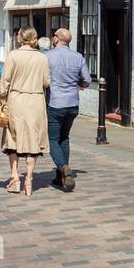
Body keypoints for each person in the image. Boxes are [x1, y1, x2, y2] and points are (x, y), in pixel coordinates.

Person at [0, 28, 50, 196]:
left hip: (17, 99)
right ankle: (29, 180)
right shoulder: (42, 58)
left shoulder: (13, 56)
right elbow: (46, 82)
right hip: (35, 101)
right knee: (32, 140)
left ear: (20, 38)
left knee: (13, 138)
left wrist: (1, 98)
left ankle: (15, 178)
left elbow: (5, 81)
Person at [45, 28, 90, 192]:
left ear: (57, 39)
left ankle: (63, 167)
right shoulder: (78, 57)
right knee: (64, 138)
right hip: (72, 103)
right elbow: (86, 80)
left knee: (52, 139)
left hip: (56, 103)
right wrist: (79, 85)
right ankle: (60, 177)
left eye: (53, 36)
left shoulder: (48, 56)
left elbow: (43, 79)